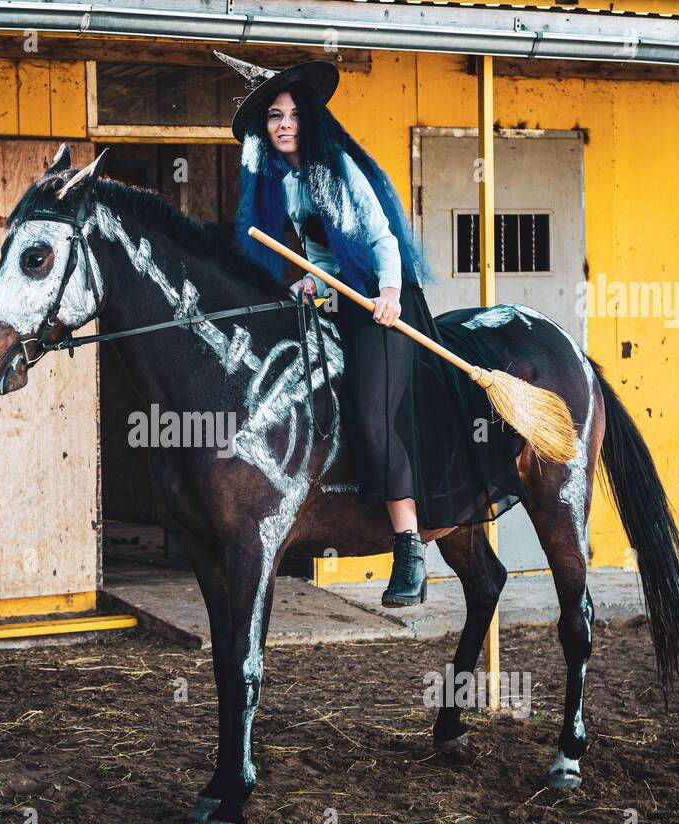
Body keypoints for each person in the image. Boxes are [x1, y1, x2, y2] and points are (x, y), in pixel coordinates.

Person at [216, 51, 523, 606]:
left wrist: (385, 295)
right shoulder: (285, 185)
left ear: (309, 119)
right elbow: (323, 256)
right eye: (272, 118)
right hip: (344, 300)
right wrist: (313, 284)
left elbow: (380, 239)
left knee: (373, 410)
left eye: (291, 115)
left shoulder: (337, 170)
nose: (283, 126)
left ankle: (408, 547)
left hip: (386, 301)